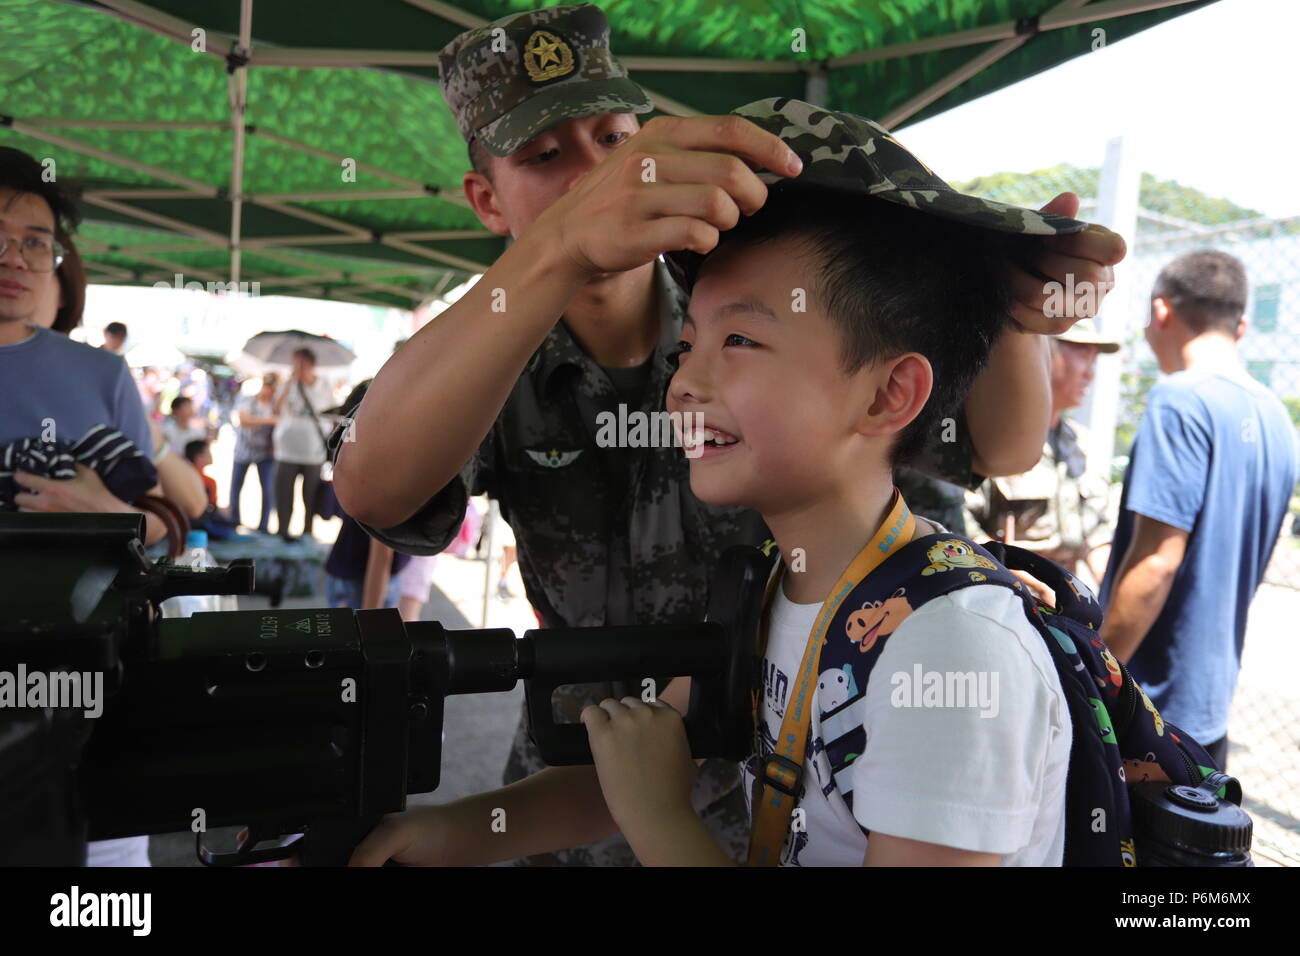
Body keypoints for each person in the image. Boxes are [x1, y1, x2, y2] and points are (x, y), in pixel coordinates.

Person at [334, 4, 1123, 866]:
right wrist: (558, 248)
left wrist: (991, 286)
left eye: (614, 139)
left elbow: (993, 446)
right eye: (545, 156)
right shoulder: (493, 361)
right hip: (596, 777)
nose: (599, 176)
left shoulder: (935, 638)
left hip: (722, 805)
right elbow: (373, 486)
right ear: (486, 197)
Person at [1099, 250, 1300, 769]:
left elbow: (1158, 561)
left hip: (1146, 710)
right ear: (1242, 326)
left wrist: (1094, 677)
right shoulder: (1277, 417)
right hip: (1209, 707)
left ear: (1161, 312)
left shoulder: (1180, 399)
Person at [0, 145, 166, 548]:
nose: (16, 260)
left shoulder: (103, 373)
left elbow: (158, 519)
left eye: (36, 243)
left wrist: (102, 512)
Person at [967, 317, 1120, 582]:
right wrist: (1017, 580)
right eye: (1083, 356)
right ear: (1041, 352)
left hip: (1060, 602)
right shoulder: (989, 437)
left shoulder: (1082, 445)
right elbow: (954, 526)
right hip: (996, 594)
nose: (1090, 373)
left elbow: (1097, 536)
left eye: (1094, 360)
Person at [272, 347, 332, 541]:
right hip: (287, 449)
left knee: (311, 495)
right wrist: (290, 383)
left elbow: (331, 412)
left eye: (301, 362)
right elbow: (276, 409)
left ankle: (307, 531)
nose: (297, 366)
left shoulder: (323, 384)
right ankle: (283, 531)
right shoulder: (287, 383)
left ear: (311, 364)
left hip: (313, 450)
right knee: (284, 494)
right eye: (294, 362)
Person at [230, 374, 280, 532]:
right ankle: (234, 519)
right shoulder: (248, 399)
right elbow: (243, 421)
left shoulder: (274, 404)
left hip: (265, 452)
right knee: (236, 486)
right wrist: (269, 420)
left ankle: (264, 525)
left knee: (268, 489)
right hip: (243, 450)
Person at [183, 438, 219, 508]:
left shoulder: (185, 476)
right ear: (199, 457)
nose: (211, 455)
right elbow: (212, 506)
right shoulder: (209, 482)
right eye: (208, 452)